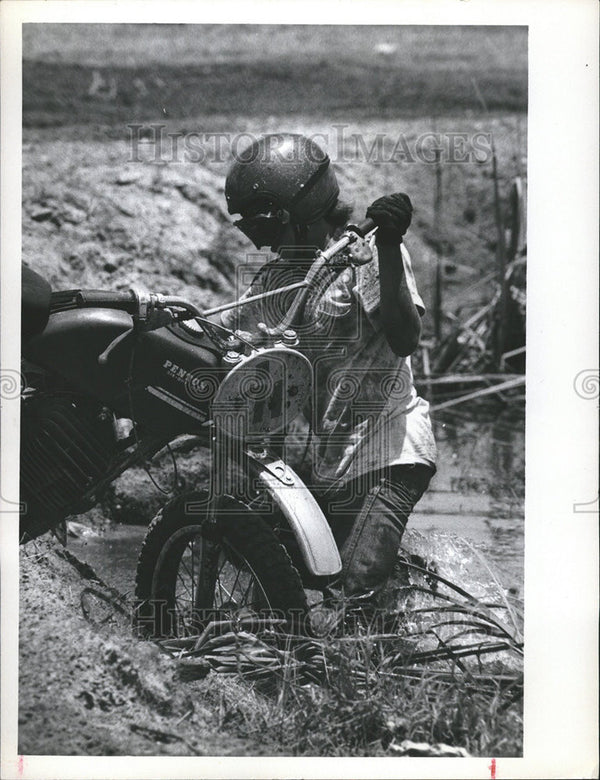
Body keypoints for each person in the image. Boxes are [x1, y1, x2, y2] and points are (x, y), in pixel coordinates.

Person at [222, 132, 437, 610]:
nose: (261, 241)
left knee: (348, 603)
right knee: (256, 554)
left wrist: (387, 248)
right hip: (329, 463)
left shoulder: (367, 253)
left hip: (389, 450)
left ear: (296, 213)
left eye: (264, 226)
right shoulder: (276, 280)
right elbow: (232, 350)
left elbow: (405, 338)